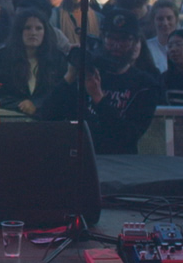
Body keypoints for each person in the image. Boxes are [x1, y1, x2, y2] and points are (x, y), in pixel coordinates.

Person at [39, 8, 160, 157]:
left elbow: (128, 136)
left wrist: (98, 98)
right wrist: (69, 77)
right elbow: (47, 114)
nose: (116, 45)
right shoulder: (88, 73)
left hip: (120, 162)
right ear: (103, 38)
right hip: (81, 157)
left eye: (123, 39)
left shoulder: (145, 85)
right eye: (111, 38)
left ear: (135, 42)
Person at [0, 8, 65, 118]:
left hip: (48, 122)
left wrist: (36, 104)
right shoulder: (1, 57)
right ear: (19, 31)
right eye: (27, 28)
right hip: (10, 121)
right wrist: (19, 105)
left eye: (38, 28)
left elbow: (61, 94)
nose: (33, 33)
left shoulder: (57, 59)